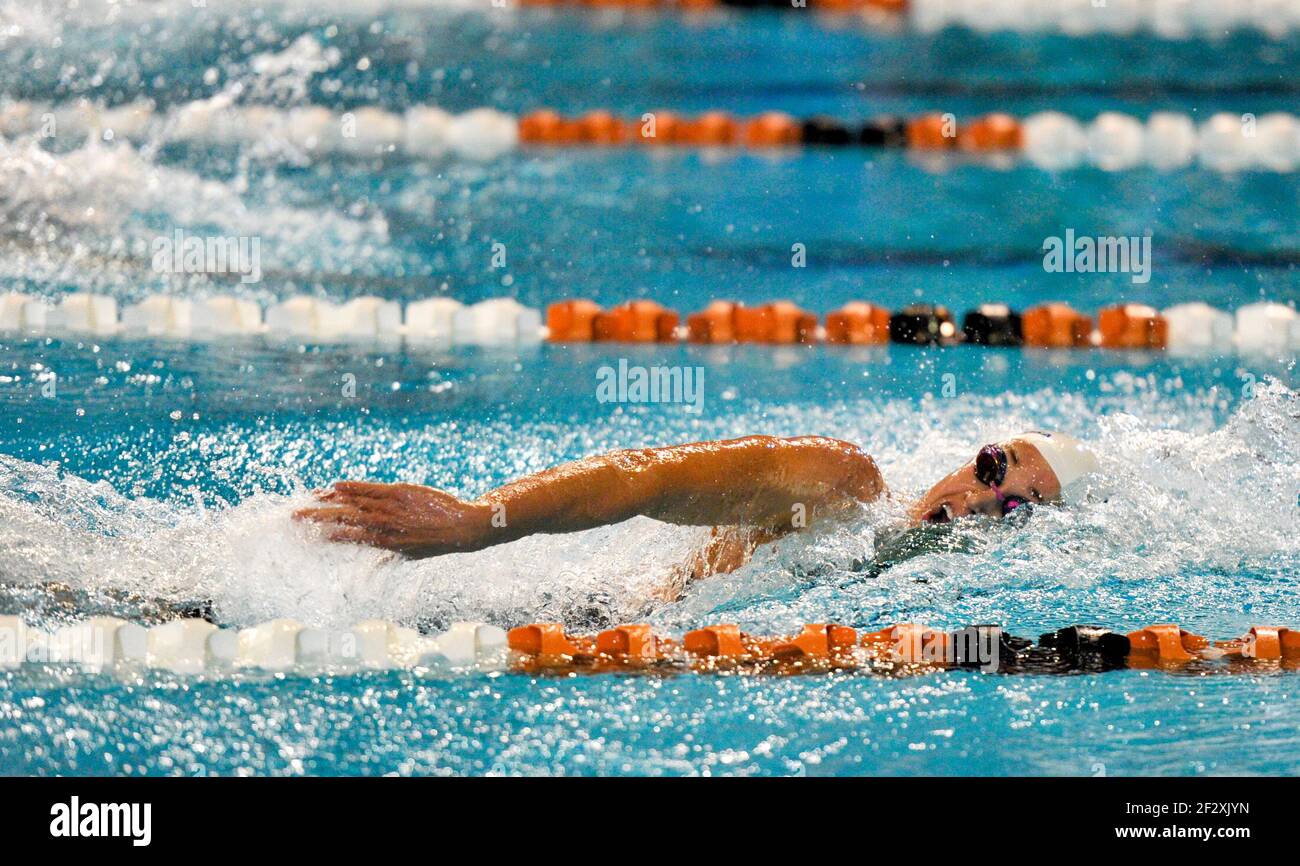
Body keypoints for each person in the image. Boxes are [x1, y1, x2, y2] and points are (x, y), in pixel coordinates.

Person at [293, 431, 1101, 586]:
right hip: (581, 623)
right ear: (972, 454)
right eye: (994, 468)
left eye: (1017, 512)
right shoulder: (845, 484)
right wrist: (478, 520)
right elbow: (649, 478)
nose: (980, 501)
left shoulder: (939, 596)